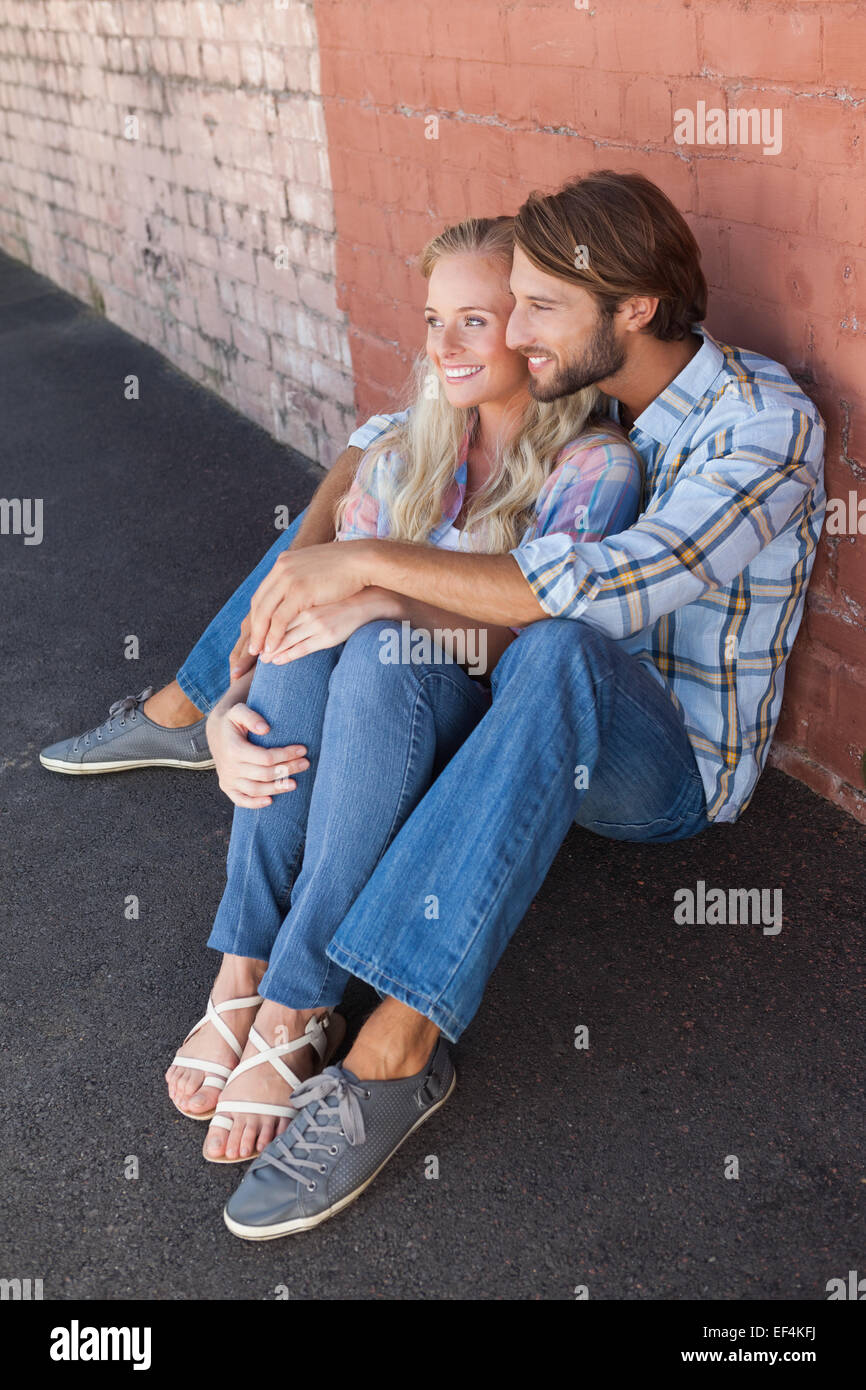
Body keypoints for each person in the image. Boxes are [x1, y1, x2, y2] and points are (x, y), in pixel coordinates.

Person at [42, 171, 825, 1241]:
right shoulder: (586, 399)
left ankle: (391, 1052)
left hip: (666, 762)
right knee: (363, 624)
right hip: (515, 718)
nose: (516, 326)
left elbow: (601, 589)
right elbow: (409, 430)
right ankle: (265, 969)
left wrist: (365, 564)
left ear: (632, 307)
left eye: (535, 306)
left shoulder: (757, 422)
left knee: (536, 642)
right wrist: (273, 646)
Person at [162, 214, 642, 1164]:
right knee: (303, 637)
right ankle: (242, 969)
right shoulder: (403, 456)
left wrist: (375, 600)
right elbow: (281, 628)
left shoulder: (595, 468)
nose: (442, 345)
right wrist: (222, 716)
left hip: (479, 743)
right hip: (357, 734)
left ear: (533, 330)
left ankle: (301, 998)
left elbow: (530, 655)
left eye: (476, 319)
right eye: (433, 319)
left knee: (378, 650)